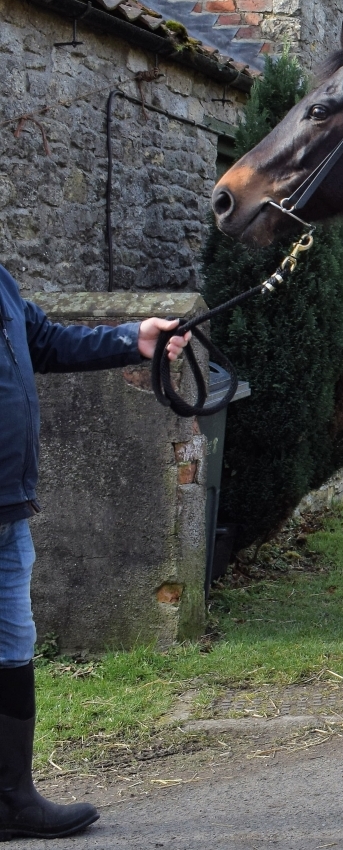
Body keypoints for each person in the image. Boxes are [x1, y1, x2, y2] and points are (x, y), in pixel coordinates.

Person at [0, 261, 187, 840]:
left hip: (8, 506)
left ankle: (12, 799)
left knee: (12, 646)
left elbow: (44, 340)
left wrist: (134, 338)